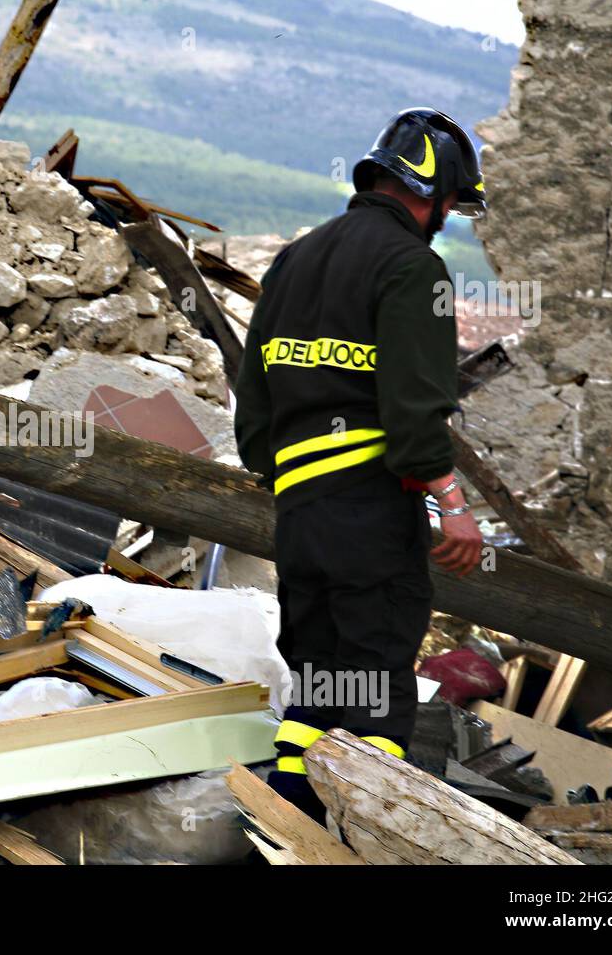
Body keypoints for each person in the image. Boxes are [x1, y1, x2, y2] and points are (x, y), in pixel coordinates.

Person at [233, 107, 487, 822]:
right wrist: (453, 506)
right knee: (374, 702)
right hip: (371, 518)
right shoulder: (412, 268)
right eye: (449, 205)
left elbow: (253, 408)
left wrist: (293, 478)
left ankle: (286, 833)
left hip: (300, 516)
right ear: (430, 194)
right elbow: (414, 414)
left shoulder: (297, 257)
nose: (446, 220)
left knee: (317, 692)